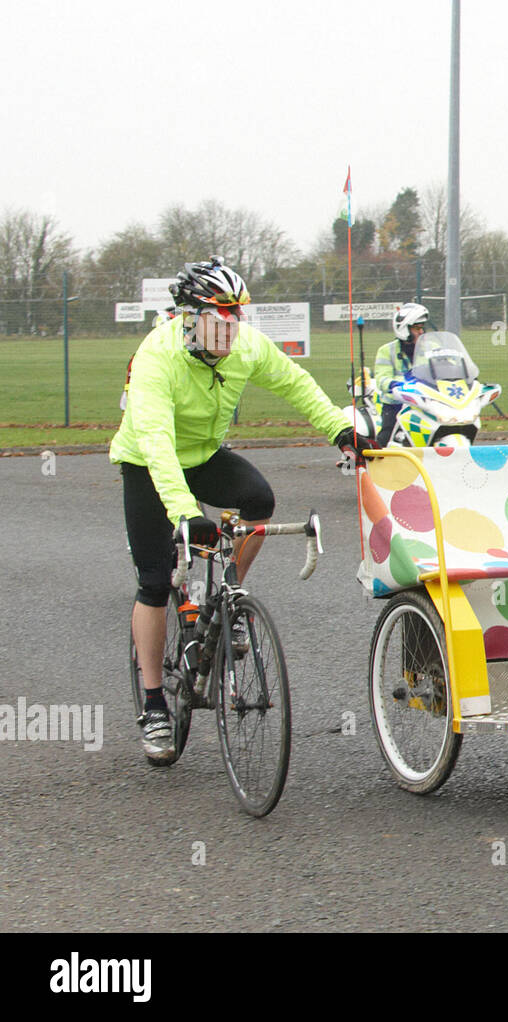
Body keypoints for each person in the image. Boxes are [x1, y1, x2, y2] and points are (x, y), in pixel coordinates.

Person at [111, 257, 373, 764]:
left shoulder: (244, 346)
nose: (232, 328)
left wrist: (341, 431)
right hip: (148, 462)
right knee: (152, 578)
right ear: (188, 317)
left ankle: (224, 590)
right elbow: (157, 444)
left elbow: (295, 383)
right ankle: (152, 704)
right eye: (220, 317)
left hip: (204, 455)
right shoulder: (157, 357)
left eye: (237, 317)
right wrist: (186, 513)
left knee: (259, 500)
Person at [373, 303, 434, 446]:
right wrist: (398, 383)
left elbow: (446, 367)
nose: (421, 332)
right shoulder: (386, 351)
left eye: (422, 328)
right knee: (386, 438)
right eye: (416, 328)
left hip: (427, 404)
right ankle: (377, 462)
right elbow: (381, 380)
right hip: (397, 406)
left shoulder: (432, 348)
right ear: (404, 329)